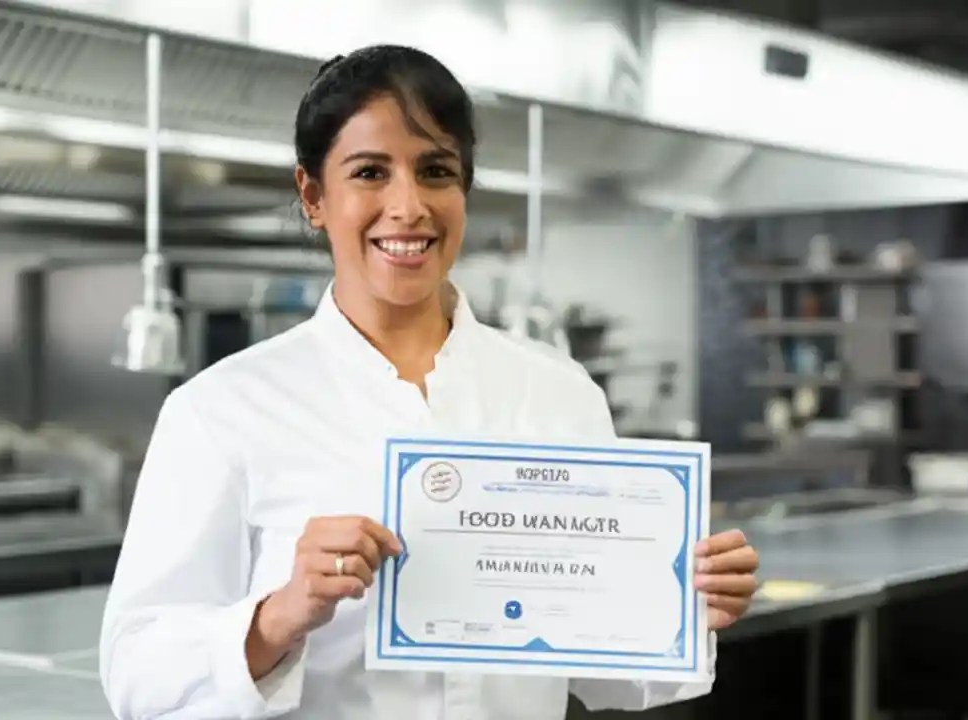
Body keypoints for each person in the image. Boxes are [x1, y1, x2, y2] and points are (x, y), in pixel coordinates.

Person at [100, 44, 759, 720]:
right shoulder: (220, 412)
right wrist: (280, 615)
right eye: (370, 172)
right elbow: (136, 675)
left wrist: (682, 604)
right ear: (313, 195)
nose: (408, 206)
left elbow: (603, 674)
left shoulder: (559, 394)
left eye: (436, 171)